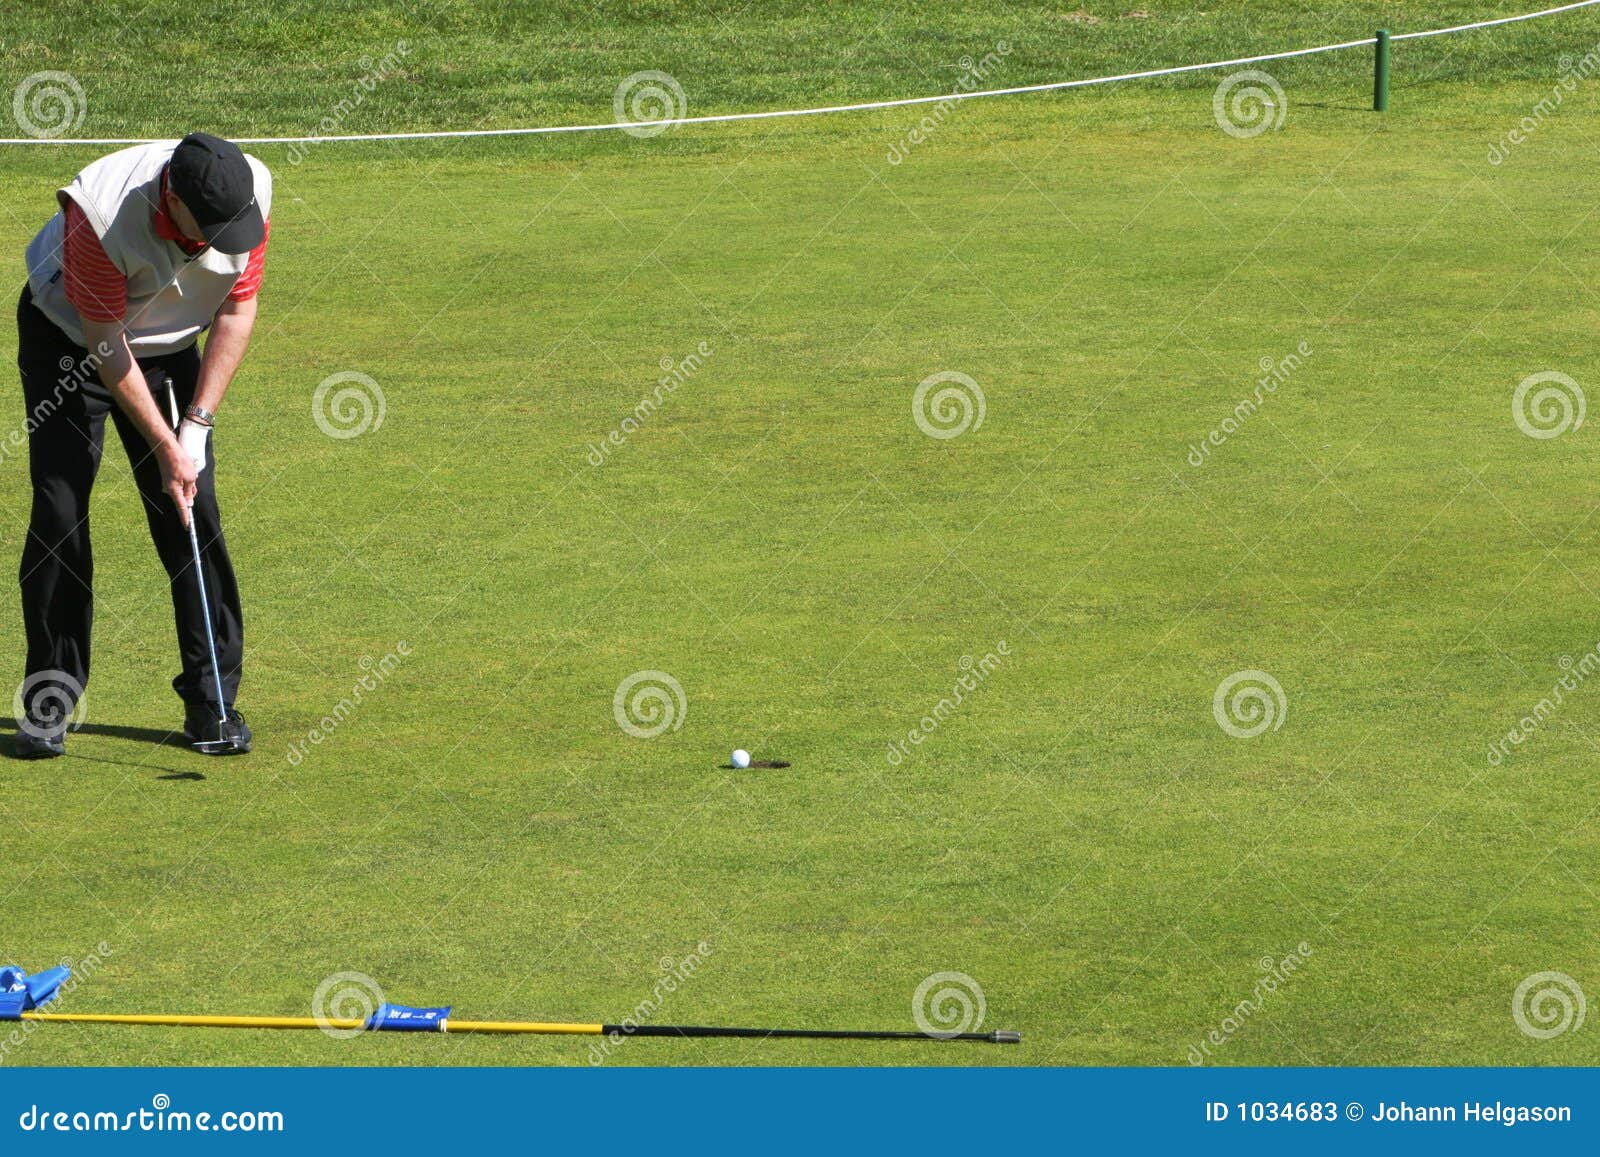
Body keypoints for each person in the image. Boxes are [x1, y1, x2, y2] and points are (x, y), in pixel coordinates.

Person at [13, 132, 271, 758]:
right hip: (72, 344)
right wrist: (163, 441)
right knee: (61, 510)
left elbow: (237, 312)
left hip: (169, 347)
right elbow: (106, 344)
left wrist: (196, 429)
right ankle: (50, 702)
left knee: (190, 508)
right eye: (206, 227)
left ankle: (212, 705)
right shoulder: (98, 213)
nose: (218, 240)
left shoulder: (250, 195)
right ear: (173, 201)